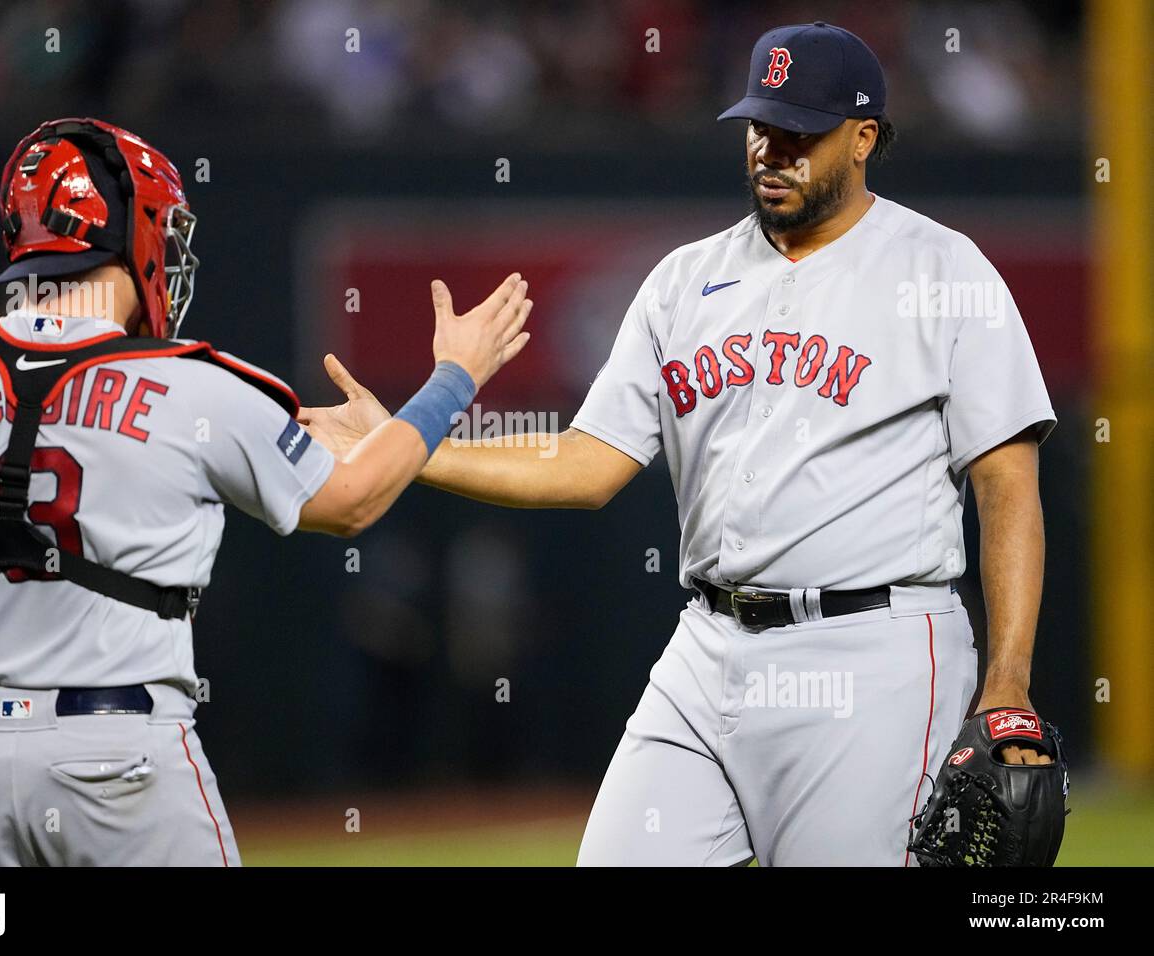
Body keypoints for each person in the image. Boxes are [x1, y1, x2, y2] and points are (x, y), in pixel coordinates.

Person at [299, 23, 1060, 866]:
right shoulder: (683, 281)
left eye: (799, 132)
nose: (771, 150)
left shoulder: (943, 271)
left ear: (865, 136)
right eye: (759, 126)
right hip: (707, 647)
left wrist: (1008, 684)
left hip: (873, 653)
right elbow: (588, 465)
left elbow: (1007, 489)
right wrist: (410, 445)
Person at [0, 117, 531, 866]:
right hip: (117, 756)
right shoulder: (191, 382)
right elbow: (355, 500)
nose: (173, 252)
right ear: (126, 232)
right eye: (164, 229)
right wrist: (452, 381)